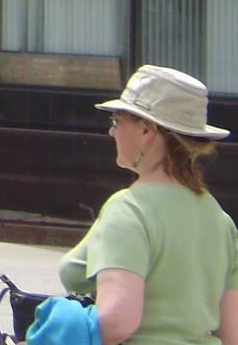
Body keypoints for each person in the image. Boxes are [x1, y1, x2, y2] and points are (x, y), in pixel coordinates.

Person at [38, 65, 238, 345]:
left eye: (117, 120)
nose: (112, 131)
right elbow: (230, 333)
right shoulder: (219, 219)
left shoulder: (129, 209)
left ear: (146, 129)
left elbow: (117, 321)